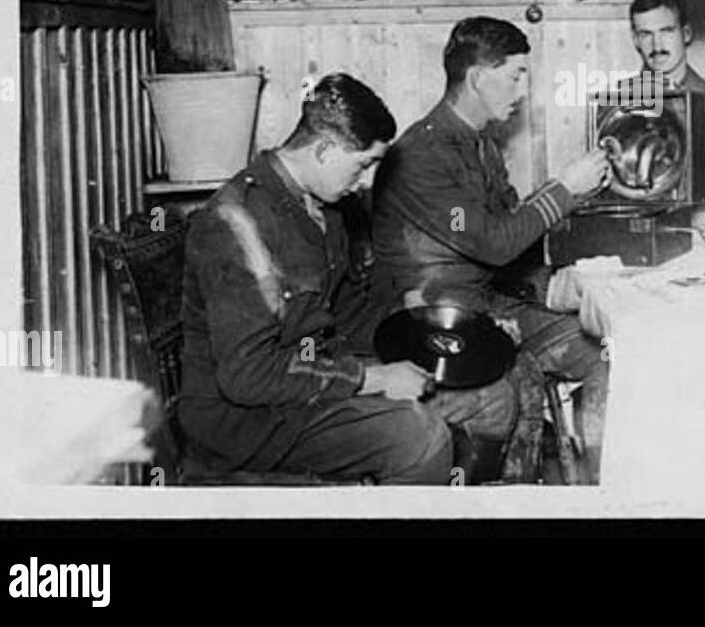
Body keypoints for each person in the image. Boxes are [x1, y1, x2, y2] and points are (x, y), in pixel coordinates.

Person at [179, 72, 517, 484]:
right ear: (324, 149)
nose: (366, 180)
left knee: (492, 398)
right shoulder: (237, 224)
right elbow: (247, 376)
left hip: (310, 380)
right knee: (418, 437)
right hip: (249, 424)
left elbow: (342, 315)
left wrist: (429, 325)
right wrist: (371, 379)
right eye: (363, 165)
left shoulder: (325, 209)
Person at [370, 17, 613, 482]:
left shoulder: (478, 145)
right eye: (515, 76)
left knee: (609, 352)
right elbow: (493, 242)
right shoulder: (422, 155)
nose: (523, 89)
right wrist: (565, 188)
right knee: (511, 385)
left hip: (491, 308)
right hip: (431, 322)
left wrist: (549, 290)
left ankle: (599, 488)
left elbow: (505, 244)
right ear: (478, 78)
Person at [617, 0, 705, 231]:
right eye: (646, 34)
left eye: (666, 31)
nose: (656, 44)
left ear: (686, 33)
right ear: (635, 40)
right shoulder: (617, 106)